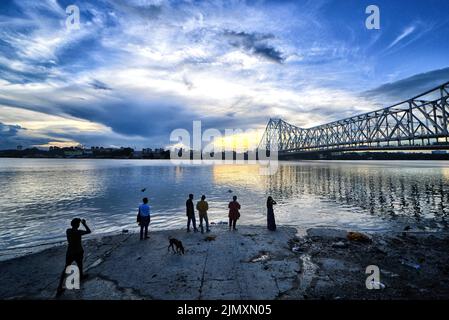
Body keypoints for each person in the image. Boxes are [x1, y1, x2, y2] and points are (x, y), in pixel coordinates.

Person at [57, 218, 91, 294]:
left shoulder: (68, 231)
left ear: (71, 224)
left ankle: (59, 286)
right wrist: (84, 224)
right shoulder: (78, 232)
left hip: (70, 252)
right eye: (79, 224)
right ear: (78, 225)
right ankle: (81, 276)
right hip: (78, 251)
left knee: (67, 267)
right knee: (80, 264)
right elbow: (89, 231)